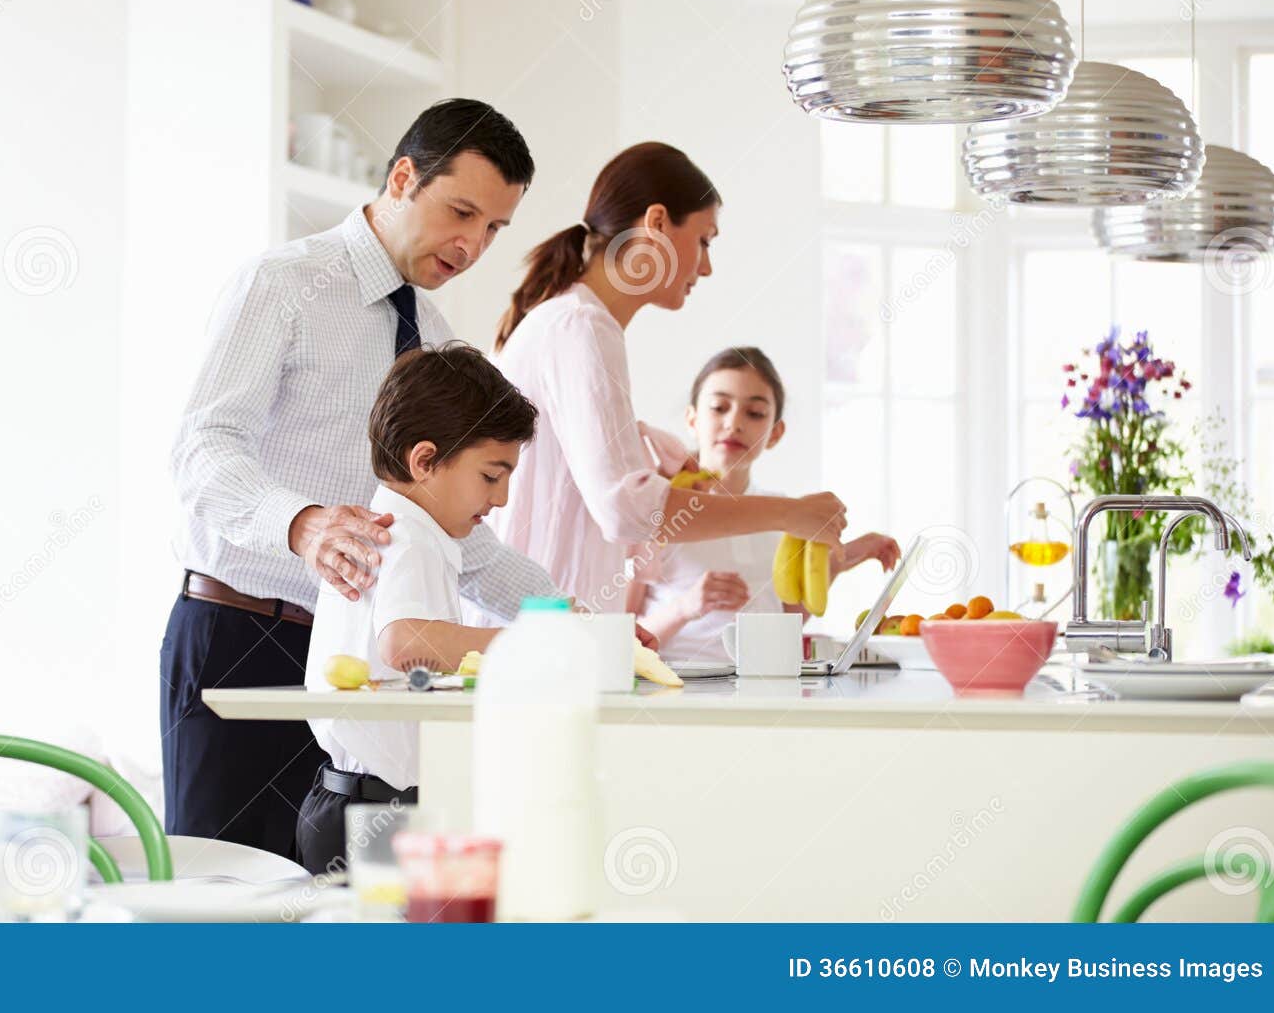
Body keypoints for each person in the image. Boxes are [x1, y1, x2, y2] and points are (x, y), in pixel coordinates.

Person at [164, 99, 561, 858]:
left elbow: (462, 536)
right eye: (462, 212)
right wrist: (302, 524)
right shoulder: (281, 284)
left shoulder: (436, 341)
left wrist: (568, 618)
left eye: (494, 229)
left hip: (361, 677)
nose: (472, 244)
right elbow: (202, 448)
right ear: (404, 177)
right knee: (226, 891)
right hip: (241, 636)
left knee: (344, 903)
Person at [489, 142, 848, 614]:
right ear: (657, 223)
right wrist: (790, 513)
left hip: (555, 623)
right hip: (542, 628)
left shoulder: (575, 323)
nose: (706, 266)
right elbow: (625, 509)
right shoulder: (581, 326)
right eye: (704, 240)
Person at [297, 342, 535, 874]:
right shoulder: (410, 537)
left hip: (348, 799)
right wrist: (532, 643)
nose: (500, 498)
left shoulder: (392, 529)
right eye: (491, 476)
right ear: (425, 461)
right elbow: (406, 643)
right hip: (378, 811)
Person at [625, 347, 901, 665]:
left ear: (775, 433)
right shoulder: (658, 510)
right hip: (676, 685)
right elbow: (620, 637)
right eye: (719, 407)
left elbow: (783, 617)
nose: (734, 423)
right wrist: (685, 607)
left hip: (758, 683)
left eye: (754, 413)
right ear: (692, 419)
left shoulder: (787, 517)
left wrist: (845, 558)